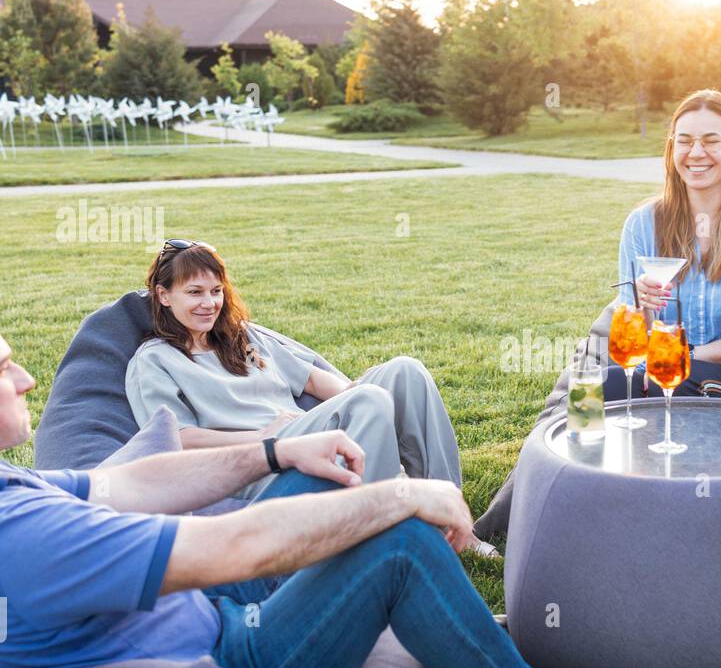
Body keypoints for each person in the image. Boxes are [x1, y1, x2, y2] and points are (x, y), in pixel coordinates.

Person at [0, 285, 661, 668]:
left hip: (208, 605)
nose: (27, 377)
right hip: (229, 654)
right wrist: (406, 496)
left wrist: (277, 449)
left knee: (324, 470)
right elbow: (228, 544)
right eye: (2, 368)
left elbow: (123, 480)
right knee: (394, 543)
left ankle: (458, 624)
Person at [125, 238, 496, 555]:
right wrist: (261, 438)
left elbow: (319, 383)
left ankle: (451, 519)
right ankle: (384, 540)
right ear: (164, 295)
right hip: (256, 458)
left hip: (307, 431)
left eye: (216, 291)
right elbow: (178, 439)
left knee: (405, 370)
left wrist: (365, 400)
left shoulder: (243, 339)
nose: (209, 303)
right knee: (368, 401)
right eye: (194, 292)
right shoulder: (155, 360)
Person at [609, 88, 721, 402]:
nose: (695, 153)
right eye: (684, 141)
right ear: (671, 148)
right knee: (604, 384)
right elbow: (636, 333)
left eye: (710, 141)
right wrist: (643, 306)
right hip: (664, 369)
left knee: (667, 382)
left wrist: (686, 355)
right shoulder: (641, 224)